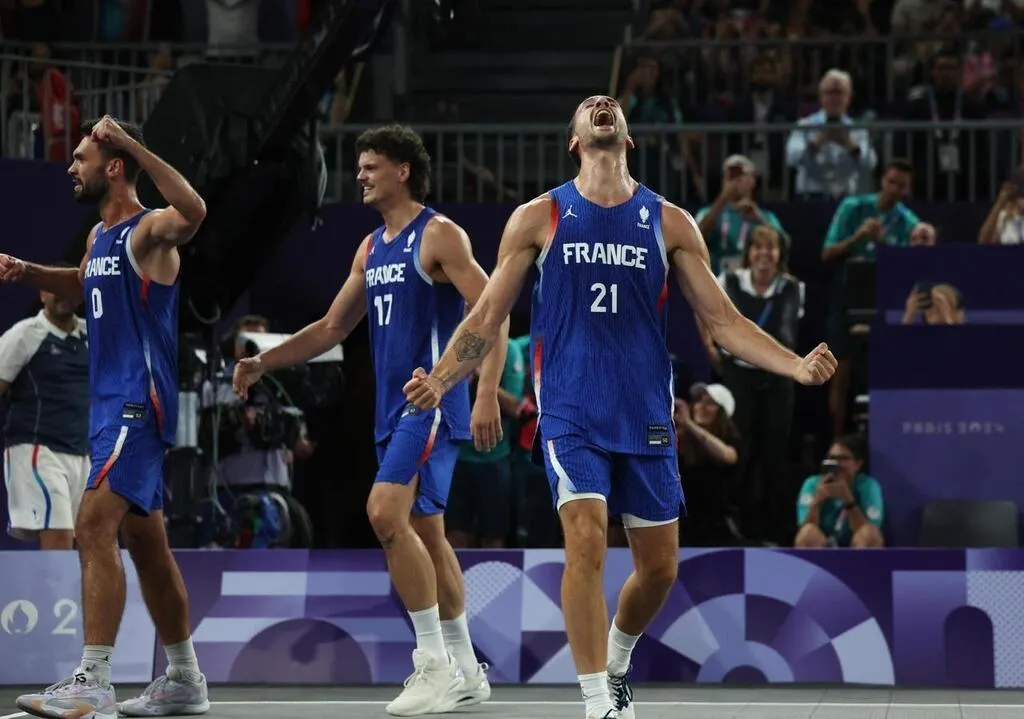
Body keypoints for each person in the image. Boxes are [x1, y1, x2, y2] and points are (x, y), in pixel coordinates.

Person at [402, 95, 838, 719]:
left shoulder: (669, 222)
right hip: (572, 411)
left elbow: (722, 320)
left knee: (659, 570)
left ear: (628, 141)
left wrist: (794, 364)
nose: (603, 105)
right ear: (575, 140)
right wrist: (444, 380)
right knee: (584, 540)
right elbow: (487, 315)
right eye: (589, 105)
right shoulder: (539, 216)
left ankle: (616, 657)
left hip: (645, 414)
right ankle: (596, 701)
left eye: (611, 105)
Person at [232, 124, 507, 717]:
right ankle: (467, 670)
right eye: (359, 166)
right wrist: (262, 359)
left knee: (383, 512)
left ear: (403, 170)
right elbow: (332, 329)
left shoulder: (438, 234)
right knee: (429, 536)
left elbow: (493, 309)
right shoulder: (370, 247)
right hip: (393, 410)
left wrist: (483, 393)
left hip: (429, 401)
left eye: (371, 165)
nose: (359, 174)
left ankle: (429, 663)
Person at [1, 115, 210, 719]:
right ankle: (185, 678)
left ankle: (93, 678)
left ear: (113, 165)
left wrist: (132, 143)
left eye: (83, 158)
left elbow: (194, 210)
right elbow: (84, 281)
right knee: (146, 544)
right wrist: (29, 272)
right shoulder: (99, 238)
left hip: (136, 402)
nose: (71, 167)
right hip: (108, 407)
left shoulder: (150, 230)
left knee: (92, 524)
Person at [0, 287, 89, 549]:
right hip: (36, 451)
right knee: (59, 536)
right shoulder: (24, 335)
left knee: (86, 540)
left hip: (81, 453)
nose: (64, 296)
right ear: (41, 295)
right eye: (54, 290)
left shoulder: (93, 334)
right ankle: (56, 592)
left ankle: (72, 592)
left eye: (69, 290)